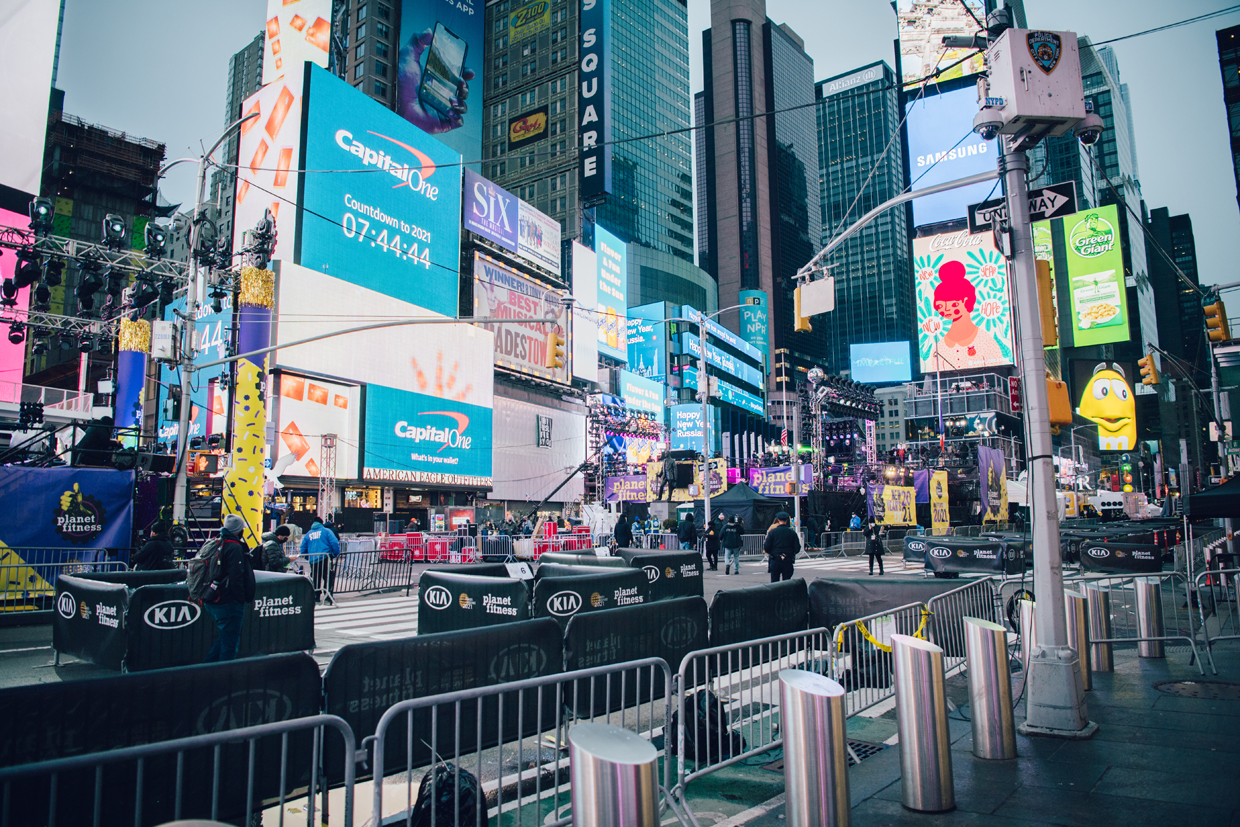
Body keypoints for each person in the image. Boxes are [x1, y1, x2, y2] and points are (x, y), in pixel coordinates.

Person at [925, 260, 1004, 372]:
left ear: (966, 301)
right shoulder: (939, 347)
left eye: (953, 304)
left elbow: (997, 363)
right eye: (941, 305)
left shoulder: (985, 341)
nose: (947, 309)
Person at [204, 514, 256, 663]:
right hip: (228, 601)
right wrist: (241, 598)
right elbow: (236, 576)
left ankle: (206, 670)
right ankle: (223, 677)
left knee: (225, 638)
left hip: (213, 596)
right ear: (239, 530)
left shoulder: (217, 542)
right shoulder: (234, 547)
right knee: (230, 644)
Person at [299, 518, 341, 601]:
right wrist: (335, 554)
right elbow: (334, 542)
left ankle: (316, 595)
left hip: (313, 558)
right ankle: (328, 595)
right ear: (321, 523)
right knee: (328, 577)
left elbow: (303, 547)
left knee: (315, 577)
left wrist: (308, 557)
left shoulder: (308, 533)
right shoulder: (326, 531)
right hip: (325, 557)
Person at [763, 512, 800, 582]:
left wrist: (771, 552)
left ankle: (776, 593)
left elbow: (767, 546)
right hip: (788, 559)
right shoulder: (792, 533)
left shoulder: (772, 532)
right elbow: (797, 548)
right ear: (786, 520)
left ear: (778, 520)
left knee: (774, 582)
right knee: (787, 582)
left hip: (775, 558)